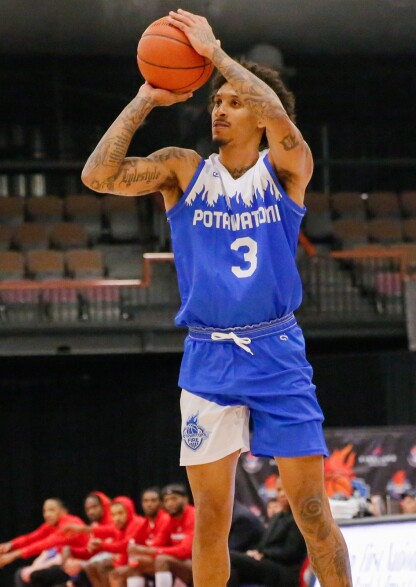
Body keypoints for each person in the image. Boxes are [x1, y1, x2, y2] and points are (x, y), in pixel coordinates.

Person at [81, 8, 352, 587]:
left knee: (310, 512)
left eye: (231, 101)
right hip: (207, 357)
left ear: (258, 114)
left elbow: (280, 115)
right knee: (212, 518)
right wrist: (146, 99)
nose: (219, 108)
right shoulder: (184, 170)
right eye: (215, 101)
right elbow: (97, 176)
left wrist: (218, 54)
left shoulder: (286, 168)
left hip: (276, 350)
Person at [111, 484, 195, 587]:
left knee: (161, 560)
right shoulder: (169, 519)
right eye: (167, 500)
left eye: (174, 499)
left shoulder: (192, 516)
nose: (170, 503)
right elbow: (157, 543)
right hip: (176, 563)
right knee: (136, 565)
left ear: (186, 499)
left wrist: (153, 551)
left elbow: (185, 550)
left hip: (196, 563)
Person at [229, 480, 307, 587]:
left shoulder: (300, 520)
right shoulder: (276, 517)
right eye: (279, 490)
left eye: (286, 489)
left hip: (284, 571)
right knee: (231, 569)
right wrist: (256, 552)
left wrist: (264, 554)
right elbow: (264, 543)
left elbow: (291, 552)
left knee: (229, 556)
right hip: (267, 564)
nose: (282, 494)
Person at [0, 498, 88, 572]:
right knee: (24, 573)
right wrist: (11, 544)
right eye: (45, 511)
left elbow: (46, 543)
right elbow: (32, 537)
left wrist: (14, 555)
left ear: (63, 511)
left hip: (81, 560)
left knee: (35, 575)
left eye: (51, 510)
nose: (47, 514)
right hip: (65, 559)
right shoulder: (51, 524)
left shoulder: (69, 523)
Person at [81, 497, 145, 587]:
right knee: (93, 567)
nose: (117, 518)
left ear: (129, 511)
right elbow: (103, 530)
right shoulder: (120, 526)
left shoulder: (138, 523)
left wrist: (103, 546)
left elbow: (125, 545)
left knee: (114, 573)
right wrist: (81, 529)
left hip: (142, 562)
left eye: (120, 513)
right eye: (113, 515)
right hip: (128, 560)